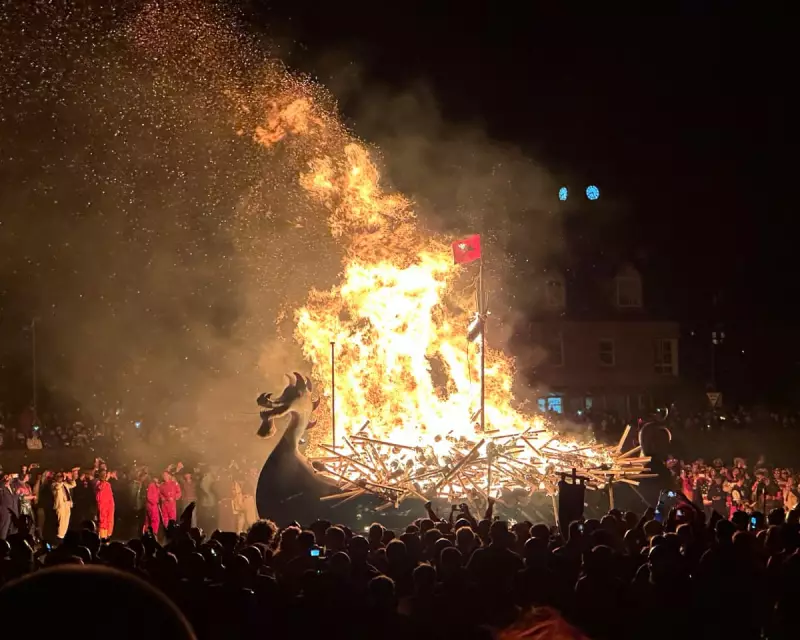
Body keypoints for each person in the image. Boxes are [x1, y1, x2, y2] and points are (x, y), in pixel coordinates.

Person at [51, 470, 76, 541]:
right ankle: (59, 537)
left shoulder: (64, 484)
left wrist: (69, 477)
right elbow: (58, 487)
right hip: (60, 505)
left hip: (67, 504)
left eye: (61, 476)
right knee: (61, 521)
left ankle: (63, 536)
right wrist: (63, 480)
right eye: (58, 476)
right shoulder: (54, 484)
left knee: (66, 521)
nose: (60, 477)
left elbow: (73, 484)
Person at [95, 469, 116, 539]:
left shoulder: (108, 485)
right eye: (102, 474)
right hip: (102, 513)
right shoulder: (99, 485)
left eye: (105, 474)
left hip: (108, 513)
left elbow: (110, 500)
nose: (104, 475)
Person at [0, 472, 20, 539]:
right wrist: (4, 479)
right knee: (4, 528)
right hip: (6, 511)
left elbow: (19, 484)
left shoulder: (13, 486)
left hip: (14, 511)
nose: (9, 478)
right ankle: (2, 543)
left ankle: (12, 543)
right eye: (8, 477)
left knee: (14, 529)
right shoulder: (2, 487)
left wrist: (16, 478)